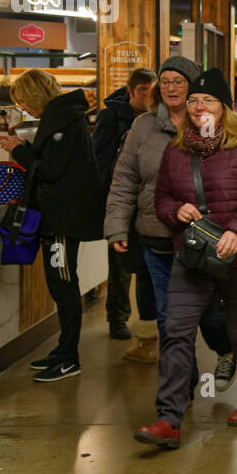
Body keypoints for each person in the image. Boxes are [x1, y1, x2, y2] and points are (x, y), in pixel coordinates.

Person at [136, 68, 237, 448]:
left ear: (224, 107)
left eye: (209, 100)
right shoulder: (177, 149)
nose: (200, 107)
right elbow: (162, 197)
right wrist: (174, 212)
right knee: (177, 331)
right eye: (195, 100)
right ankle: (168, 419)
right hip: (195, 256)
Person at [104, 57, 235, 384]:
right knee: (169, 318)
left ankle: (226, 349)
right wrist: (116, 225)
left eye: (179, 80)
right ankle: (186, 387)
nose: (171, 87)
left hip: (202, 236)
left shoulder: (210, 122)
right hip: (156, 236)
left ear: (193, 86)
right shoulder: (143, 126)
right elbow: (124, 179)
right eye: (166, 81)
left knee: (208, 313)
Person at [0, 69, 105, 383]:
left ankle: (69, 357)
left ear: (36, 95)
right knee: (62, 286)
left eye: (25, 101)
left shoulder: (62, 121)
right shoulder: (66, 116)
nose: (24, 108)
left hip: (61, 220)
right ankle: (63, 352)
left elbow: (50, 170)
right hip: (62, 217)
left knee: (64, 287)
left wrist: (17, 149)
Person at [92, 67, 157, 341]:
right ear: (130, 92)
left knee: (148, 266)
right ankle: (117, 317)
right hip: (123, 201)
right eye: (142, 90)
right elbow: (100, 159)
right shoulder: (112, 117)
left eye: (151, 90)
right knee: (120, 265)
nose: (147, 95)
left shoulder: (157, 119)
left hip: (151, 203)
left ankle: (149, 322)